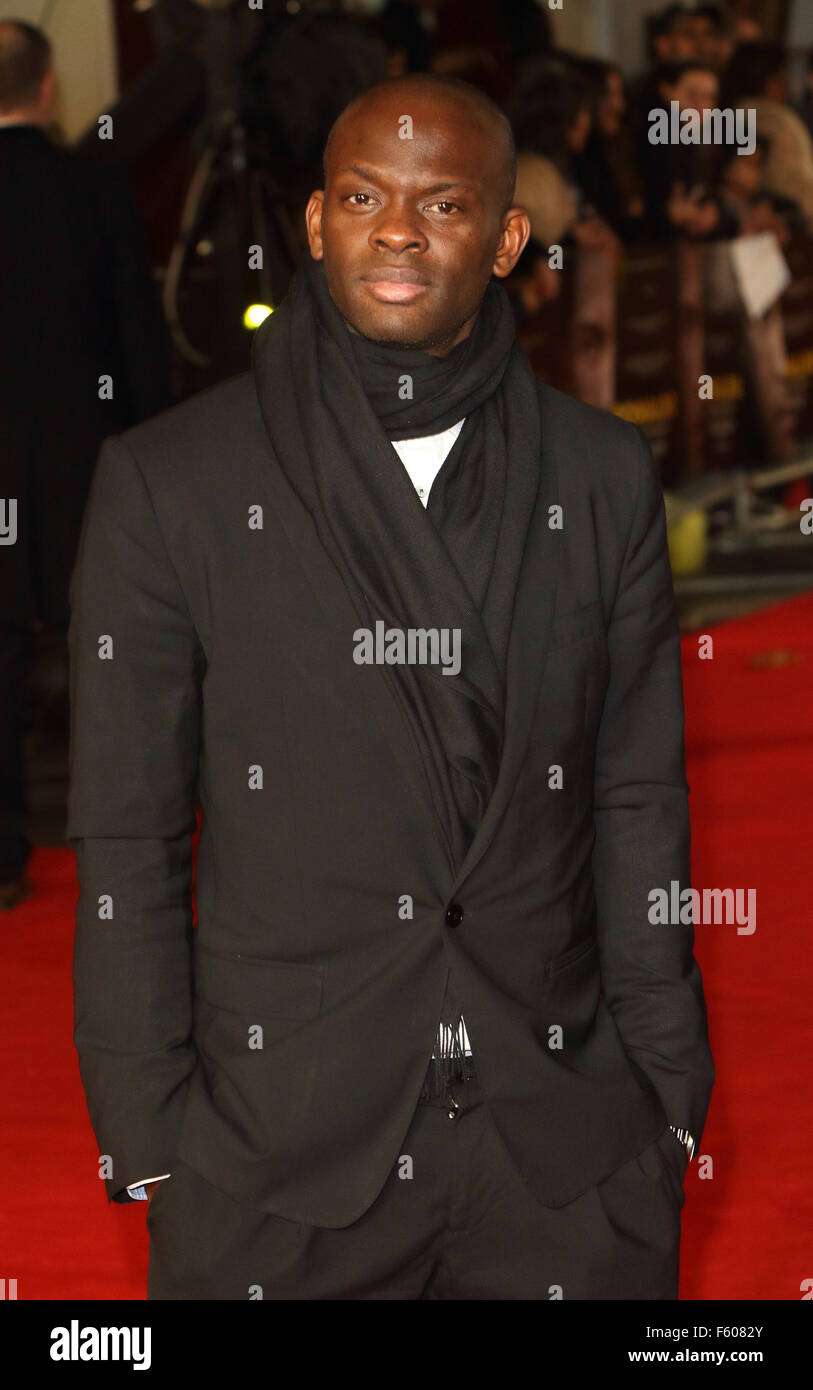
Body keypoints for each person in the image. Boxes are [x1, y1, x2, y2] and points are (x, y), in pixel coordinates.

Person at [69, 72, 714, 1300]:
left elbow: (638, 804)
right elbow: (125, 837)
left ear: (510, 238)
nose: (399, 231)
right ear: (315, 225)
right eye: (363, 196)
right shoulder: (172, 483)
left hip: (561, 1155)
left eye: (444, 202)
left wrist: (669, 1098)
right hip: (282, 1156)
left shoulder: (603, 474)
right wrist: (151, 1140)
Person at [0, 20, 170, 909]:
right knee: (109, 658)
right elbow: (137, 334)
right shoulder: (94, 185)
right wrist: (154, 455)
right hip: (86, 457)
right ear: (49, 87)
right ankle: (125, 853)